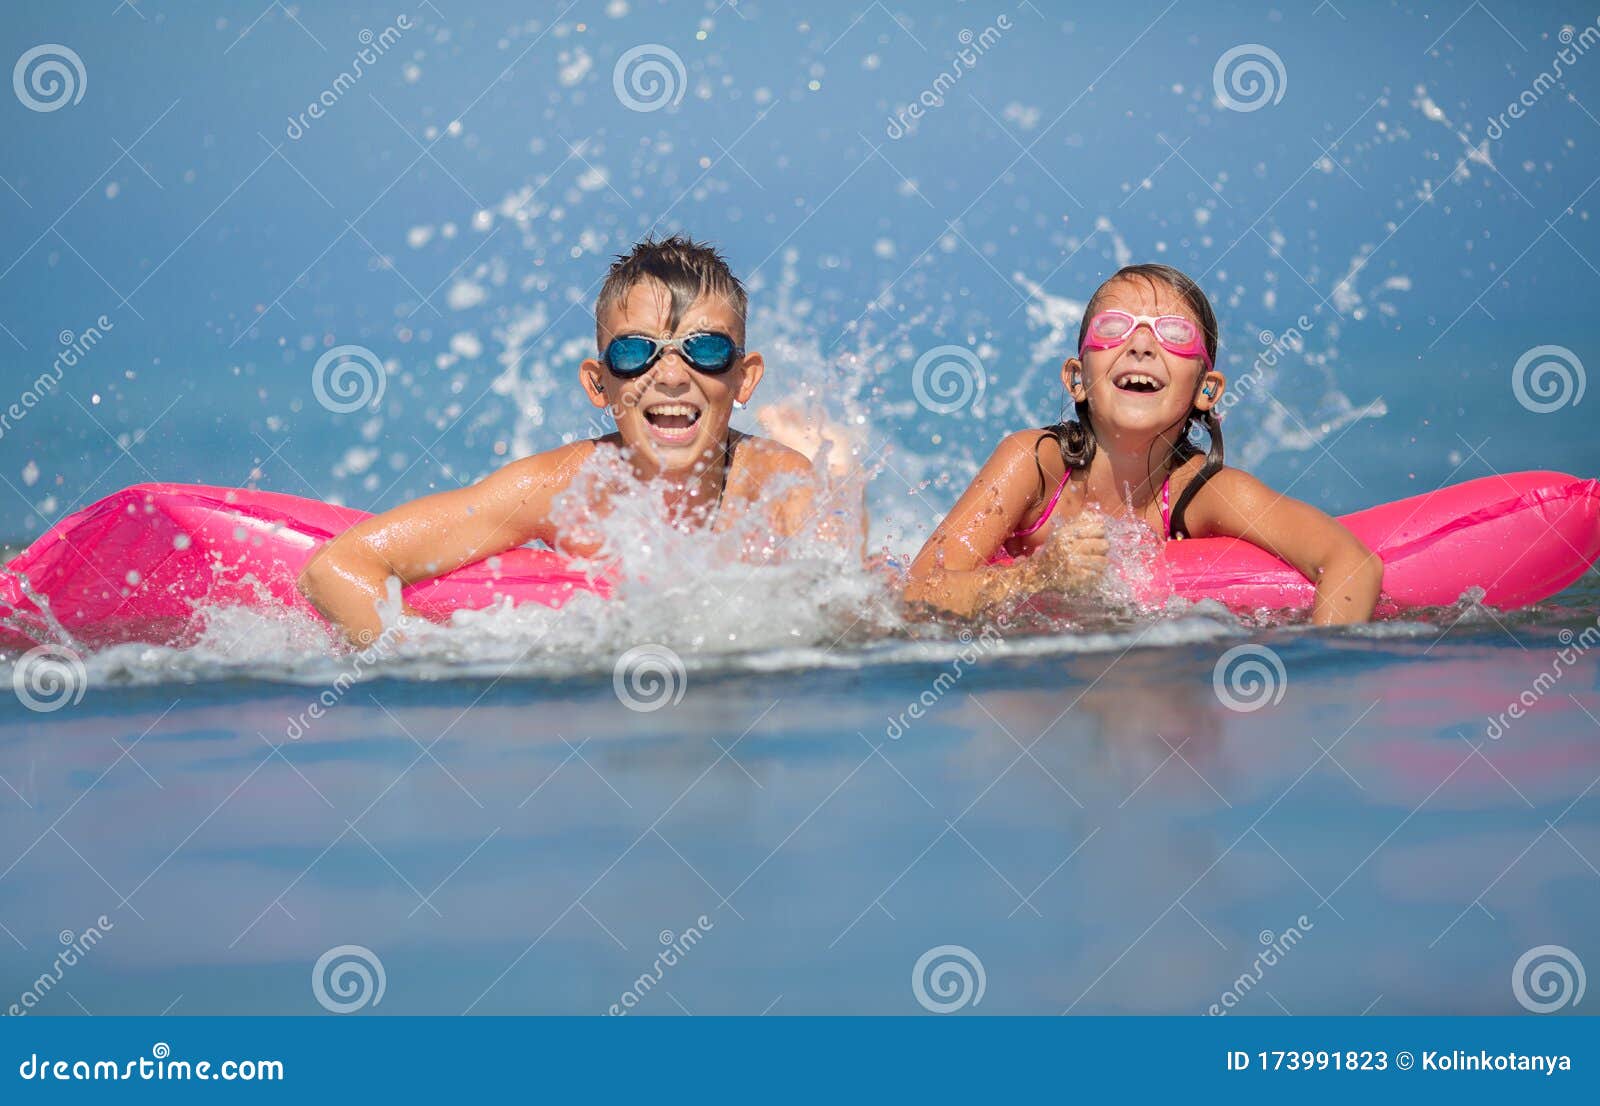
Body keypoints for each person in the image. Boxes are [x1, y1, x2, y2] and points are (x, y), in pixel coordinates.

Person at [300, 235, 819, 645]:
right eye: (635, 352)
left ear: (745, 378)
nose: (670, 375)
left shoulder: (778, 487)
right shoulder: (561, 488)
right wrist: (436, 661)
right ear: (598, 384)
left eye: (704, 349)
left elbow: (840, 612)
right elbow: (335, 569)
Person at [904, 263, 1383, 625]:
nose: (1141, 345)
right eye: (1113, 328)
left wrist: (1321, 679)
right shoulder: (1036, 464)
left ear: (1207, 390)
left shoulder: (1204, 493)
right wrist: (1039, 575)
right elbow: (917, 592)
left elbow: (1351, 561)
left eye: (1174, 334)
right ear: (1077, 378)